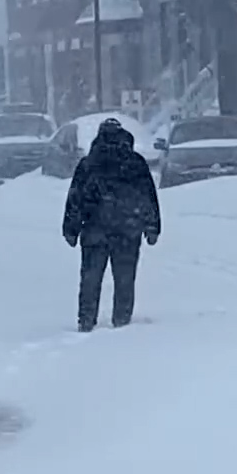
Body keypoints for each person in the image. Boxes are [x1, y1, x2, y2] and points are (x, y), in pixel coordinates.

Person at [61, 117, 161, 331]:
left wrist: (71, 229)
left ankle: (87, 320)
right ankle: (122, 320)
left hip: (95, 230)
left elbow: (75, 199)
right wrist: (152, 226)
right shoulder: (135, 163)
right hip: (128, 229)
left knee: (90, 278)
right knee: (125, 279)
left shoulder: (89, 164)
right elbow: (148, 196)